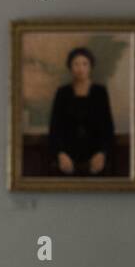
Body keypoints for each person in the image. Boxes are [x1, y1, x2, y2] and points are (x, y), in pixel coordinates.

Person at [47, 46, 114, 176]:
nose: (80, 68)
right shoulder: (62, 93)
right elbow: (55, 127)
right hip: (67, 154)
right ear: (70, 67)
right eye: (76, 64)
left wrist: (102, 153)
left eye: (84, 64)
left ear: (90, 67)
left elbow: (107, 126)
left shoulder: (100, 92)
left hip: (95, 153)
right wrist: (60, 154)